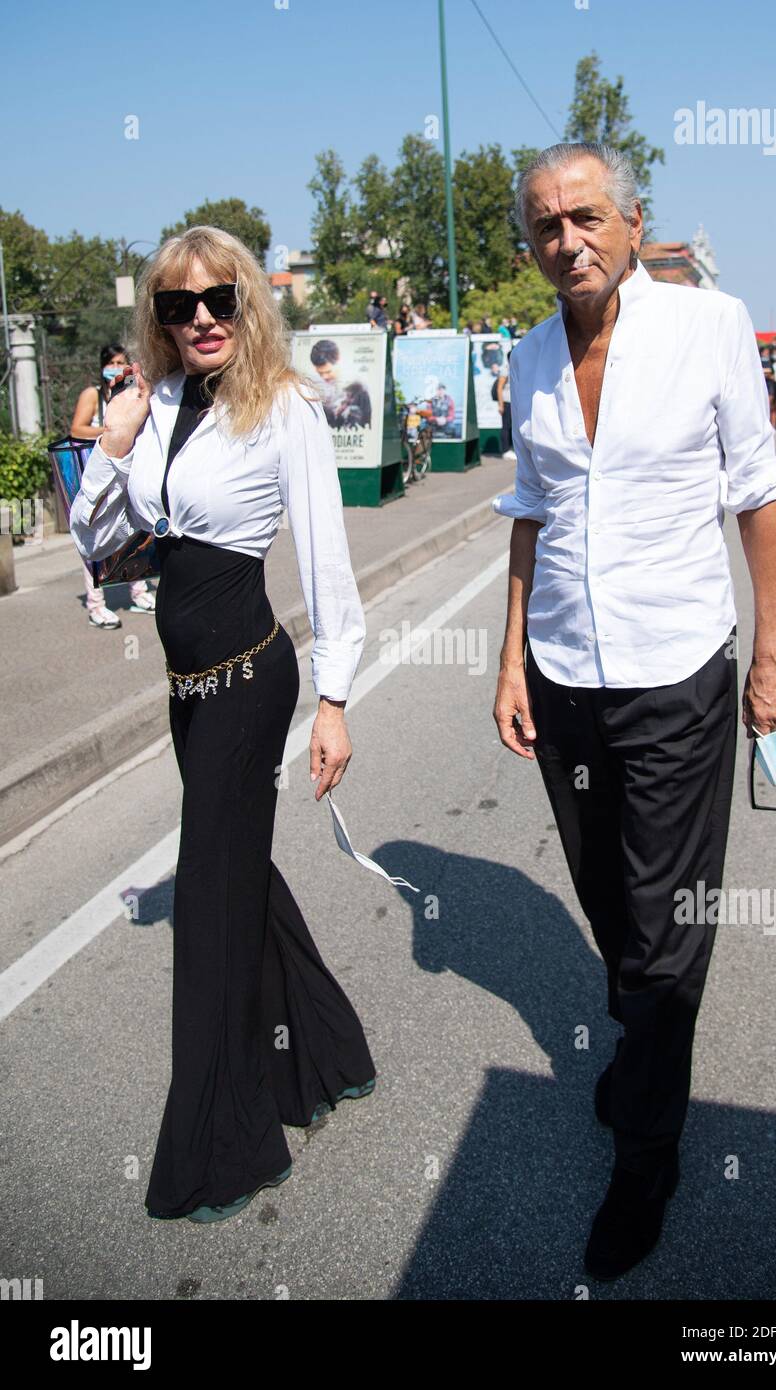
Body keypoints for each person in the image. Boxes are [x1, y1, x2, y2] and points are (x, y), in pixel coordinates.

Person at [492, 142, 776, 1281]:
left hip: (675, 669)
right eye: (541, 226)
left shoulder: (708, 326)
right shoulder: (525, 358)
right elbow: (528, 503)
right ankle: (639, 1039)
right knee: (608, 898)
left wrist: (771, 659)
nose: (562, 240)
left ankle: (646, 1157)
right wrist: (510, 655)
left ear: (629, 222)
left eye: (580, 217)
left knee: (665, 923)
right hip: (566, 673)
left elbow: (754, 494)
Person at [69, 226, 375, 1223]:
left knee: (207, 904)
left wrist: (334, 698)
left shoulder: (285, 406)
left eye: (217, 300)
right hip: (183, 682)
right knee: (241, 871)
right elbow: (104, 546)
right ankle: (328, 1048)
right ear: (156, 317)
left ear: (247, 304)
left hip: (250, 680)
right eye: (176, 304)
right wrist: (110, 452)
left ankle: (230, 1143)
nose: (198, 319)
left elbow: (327, 560)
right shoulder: (150, 406)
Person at [70, 345, 156, 627]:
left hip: (127, 473)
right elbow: (77, 429)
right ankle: (96, 605)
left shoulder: (130, 391)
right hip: (98, 475)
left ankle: (139, 591)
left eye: (122, 363)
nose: (117, 367)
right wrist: (113, 431)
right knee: (94, 540)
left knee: (136, 532)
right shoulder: (92, 394)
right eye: (112, 363)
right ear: (102, 365)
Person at [496, 362, 515, 459]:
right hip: (506, 401)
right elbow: (499, 388)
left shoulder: (516, 367)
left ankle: (511, 448)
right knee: (506, 426)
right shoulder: (505, 369)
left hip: (514, 402)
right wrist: (501, 405)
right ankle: (505, 451)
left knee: (513, 427)